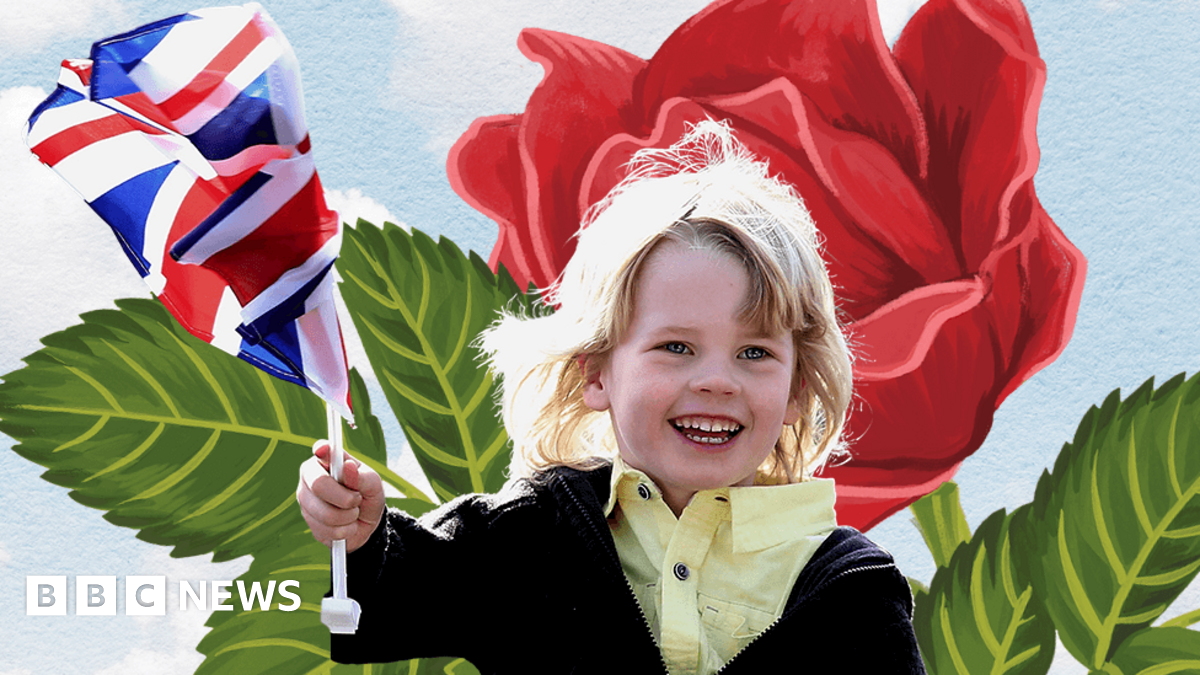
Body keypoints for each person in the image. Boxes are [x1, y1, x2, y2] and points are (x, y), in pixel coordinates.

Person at [297, 120, 926, 673]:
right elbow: (413, 586)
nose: (718, 380)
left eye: (755, 353)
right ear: (596, 374)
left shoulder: (853, 590)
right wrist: (361, 532)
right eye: (676, 347)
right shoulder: (540, 533)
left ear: (796, 389)